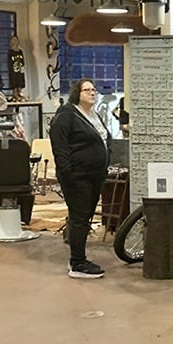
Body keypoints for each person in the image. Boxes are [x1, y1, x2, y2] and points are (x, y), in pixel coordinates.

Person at [50, 78, 110, 279]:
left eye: (94, 90)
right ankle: (77, 263)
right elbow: (59, 144)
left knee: (86, 217)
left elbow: (102, 139)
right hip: (78, 176)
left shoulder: (93, 115)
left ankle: (79, 258)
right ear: (77, 93)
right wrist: (67, 171)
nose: (92, 93)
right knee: (79, 217)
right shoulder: (68, 114)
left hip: (94, 174)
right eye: (87, 90)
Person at [8, 35, 26, 101]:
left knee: (20, 79)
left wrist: (23, 68)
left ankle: (20, 92)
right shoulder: (10, 52)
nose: (15, 41)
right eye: (14, 40)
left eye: (16, 40)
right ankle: (15, 93)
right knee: (14, 80)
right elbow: (9, 63)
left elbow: (22, 61)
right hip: (13, 70)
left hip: (20, 69)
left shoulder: (20, 51)